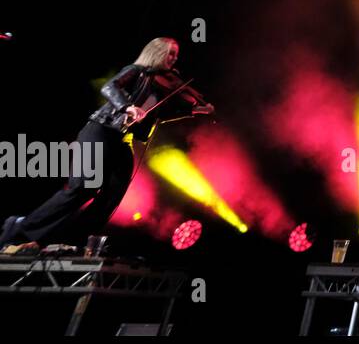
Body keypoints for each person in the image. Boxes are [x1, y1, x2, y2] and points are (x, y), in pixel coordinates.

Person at [0, 38, 213, 250]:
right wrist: (126, 107)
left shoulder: (160, 87)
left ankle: (72, 239)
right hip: (100, 130)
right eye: (171, 53)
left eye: (176, 55)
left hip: (122, 140)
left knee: (113, 193)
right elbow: (110, 87)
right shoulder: (136, 71)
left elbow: (160, 114)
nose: (175, 59)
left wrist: (194, 111)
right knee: (81, 188)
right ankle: (19, 228)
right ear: (156, 52)